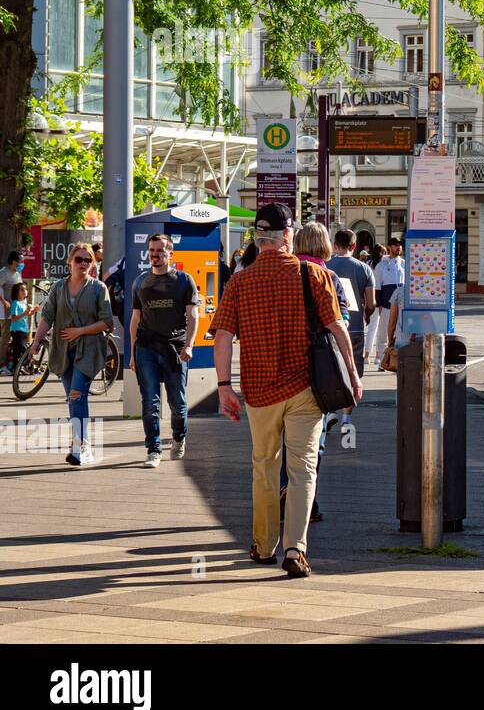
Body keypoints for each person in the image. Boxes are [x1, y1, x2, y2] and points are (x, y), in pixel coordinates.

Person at [212, 204, 362, 578]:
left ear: (257, 239)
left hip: (259, 391)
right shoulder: (313, 274)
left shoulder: (239, 282)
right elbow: (336, 327)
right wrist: (355, 375)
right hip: (305, 390)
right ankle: (296, 548)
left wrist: (223, 388)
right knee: (302, 468)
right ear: (288, 236)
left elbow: (224, 337)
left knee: (264, 467)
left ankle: (263, 546)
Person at [29, 244, 114, 466]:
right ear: (70, 262)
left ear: (92, 264)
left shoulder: (98, 288)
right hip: (62, 351)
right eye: (79, 259)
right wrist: (36, 341)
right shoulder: (58, 288)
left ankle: (80, 447)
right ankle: (84, 444)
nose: (83, 263)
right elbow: (47, 316)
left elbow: (107, 322)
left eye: (88, 260)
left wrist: (81, 330)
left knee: (77, 395)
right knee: (73, 399)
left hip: (88, 350)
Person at [289, 222, 347, 522]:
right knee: (314, 441)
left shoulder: (282, 274)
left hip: (283, 365)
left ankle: (285, 492)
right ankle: (307, 502)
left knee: (283, 438)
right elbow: (342, 322)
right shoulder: (331, 277)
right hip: (317, 368)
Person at [128, 233, 198, 468]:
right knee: (150, 402)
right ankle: (153, 449)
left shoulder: (184, 281)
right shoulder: (140, 282)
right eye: (151, 250)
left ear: (170, 253)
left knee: (177, 404)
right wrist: (132, 354)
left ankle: (179, 436)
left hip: (175, 349)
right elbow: (135, 319)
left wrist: (189, 345)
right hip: (146, 347)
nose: (154, 255)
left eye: (159, 250)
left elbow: (193, 316)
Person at [327, 228, 375, 432]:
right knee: (353, 372)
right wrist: (365, 315)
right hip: (354, 329)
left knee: (331, 371)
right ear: (354, 246)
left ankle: (330, 412)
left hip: (330, 328)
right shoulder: (364, 269)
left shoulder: (325, 266)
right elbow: (371, 303)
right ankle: (347, 419)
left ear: (335, 245)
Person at [370, 238, 404, 365]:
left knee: (399, 333)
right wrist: (378, 305)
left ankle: (396, 359)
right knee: (383, 332)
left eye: (400, 245)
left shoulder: (404, 264)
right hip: (386, 305)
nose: (398, 247)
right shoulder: (381, 265)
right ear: (389, 247)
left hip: (401, 306)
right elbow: (377, 287)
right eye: (395, 245)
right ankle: (379, 358)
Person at [0, 251, 23, 370]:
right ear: (14, 261)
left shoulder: (17, 273)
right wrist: (4, 302)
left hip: (16, 311)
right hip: (5, 312)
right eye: (20, 261)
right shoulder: (4, 273)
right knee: (5, 338)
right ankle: (2, 364)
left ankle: (14, 363)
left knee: (17, 337)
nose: (22, 264)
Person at [6, 282, 35, 374]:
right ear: (16, 292)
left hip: (23, 330)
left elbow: (27, 315)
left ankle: (20, 367)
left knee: (22, 349)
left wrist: (34, 310)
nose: (25, 291)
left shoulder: (24, 303)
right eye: (22, 289)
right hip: (17, 330)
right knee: (20, 349)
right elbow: (14, 318)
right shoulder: (15, 303)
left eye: (25, 289)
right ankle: (16, 368)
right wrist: (25, 313)